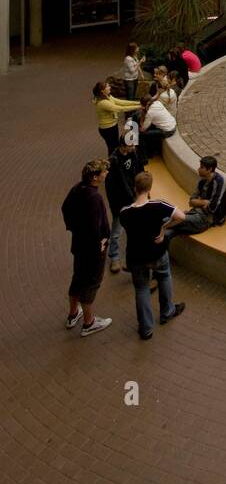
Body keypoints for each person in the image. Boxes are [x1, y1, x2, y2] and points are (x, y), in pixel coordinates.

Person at [119, 170, 187, 340]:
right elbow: (181, 216)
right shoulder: (158, 205)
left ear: (135, 188)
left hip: (136, 257)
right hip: (156, 252)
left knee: (141, 289)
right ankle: (167, 311)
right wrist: (164, 228)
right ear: (150, 188)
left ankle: (146, 328)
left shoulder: (124, 212)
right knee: (164, 277)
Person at [61, 159, 113, 336]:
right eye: (103, 172)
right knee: (91, 283)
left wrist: (74, 229)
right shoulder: (94, 198)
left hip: (79, 245)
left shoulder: (77, 189)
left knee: (78, 278)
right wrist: (101, 243)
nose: (106, 174)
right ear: (94, 177)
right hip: (92, 250)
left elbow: (65, 208)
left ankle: (73, 313)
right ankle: (89, 322)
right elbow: (95, 227)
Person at [160, 155, 226, 245]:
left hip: (206, 219)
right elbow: (191, 201)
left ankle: (162, 226)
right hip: (194, 212)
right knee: (167, 233)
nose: (198, 169)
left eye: (202, 167)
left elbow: (212, 208)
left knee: (166, 220)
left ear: (210, 169)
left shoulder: (219, 182)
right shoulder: (202, 181)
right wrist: (204, 202)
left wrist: (199, 202)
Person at [105, 134, 147, 274]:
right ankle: (114, 257)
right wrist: (116, 207)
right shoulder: (113, 161)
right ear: (123, 145)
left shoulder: (133, 153)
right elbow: (111, 188)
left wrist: (142, 191)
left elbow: (139, 170)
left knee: (134, 230)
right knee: (117, 231)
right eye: (131, 145)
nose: (134, 147)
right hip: (121, 201)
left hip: (134, 196)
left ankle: (132, 257)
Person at [92, 80, 141, 156]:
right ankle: (112, 163)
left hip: (112, 126)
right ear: (102, 91)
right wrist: (139, 106)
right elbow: (120, 108)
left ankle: (113, 162)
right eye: (107, 86)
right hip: (107, 129)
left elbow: (121, 102)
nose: (109, 87)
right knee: (112, 148)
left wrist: (138, 102)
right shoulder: (103, 102)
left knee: (115, 146)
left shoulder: (108, 96)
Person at [139, 90, 177, 159]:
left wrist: (141, 121)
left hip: (168, 131)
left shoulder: (150, 113)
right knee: (151, 130)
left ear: (146, 104)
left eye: (142, 105)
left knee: (142, 134)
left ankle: (147, 155)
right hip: (173, 124)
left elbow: (143, 128)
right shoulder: (157, 103)